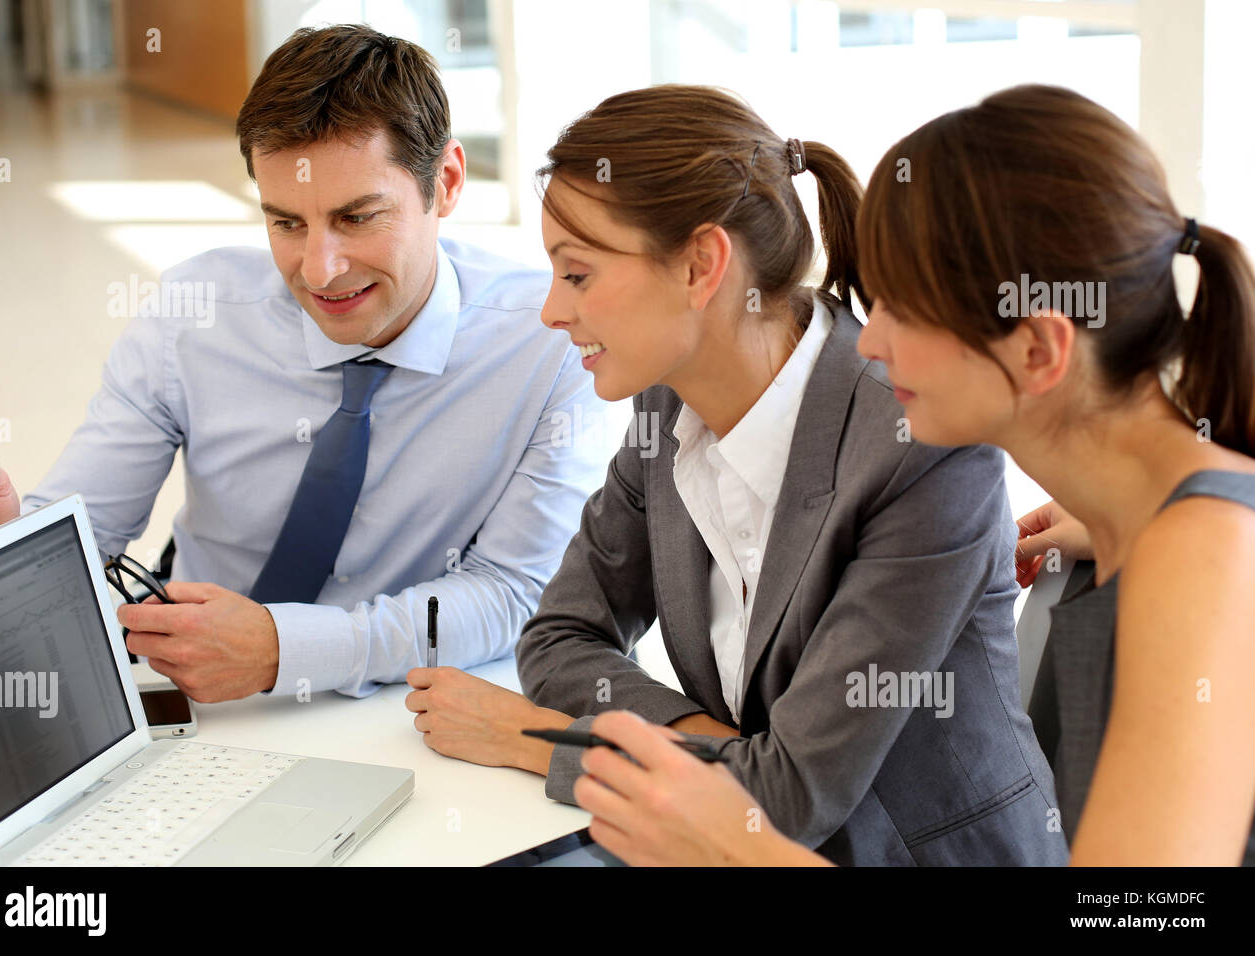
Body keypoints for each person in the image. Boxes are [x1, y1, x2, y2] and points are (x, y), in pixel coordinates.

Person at [572, 84, 1255, 867]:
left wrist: (739, 847)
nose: (869, 342)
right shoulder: (1158, 521)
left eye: (905, 310)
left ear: (1038, 350)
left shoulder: (1202, 556)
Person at [403, 84, 1067, 866]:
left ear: (701, 265)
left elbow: (789, 801)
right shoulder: (666, 401)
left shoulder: (919, 444)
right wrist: (715, 746)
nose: (552, 310)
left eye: (577, 275)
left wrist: (532, 739)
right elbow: (560, 639)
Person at [0, 25, 609, 703]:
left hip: (406, 695)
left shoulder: (551, 342)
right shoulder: (193, 312)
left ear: (444, 183)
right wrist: (15, 555)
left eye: (357, 218)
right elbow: (90, 530)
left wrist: (285, 650)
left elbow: (514, 591)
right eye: (286, 223)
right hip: (199, 690)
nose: (320, 270)